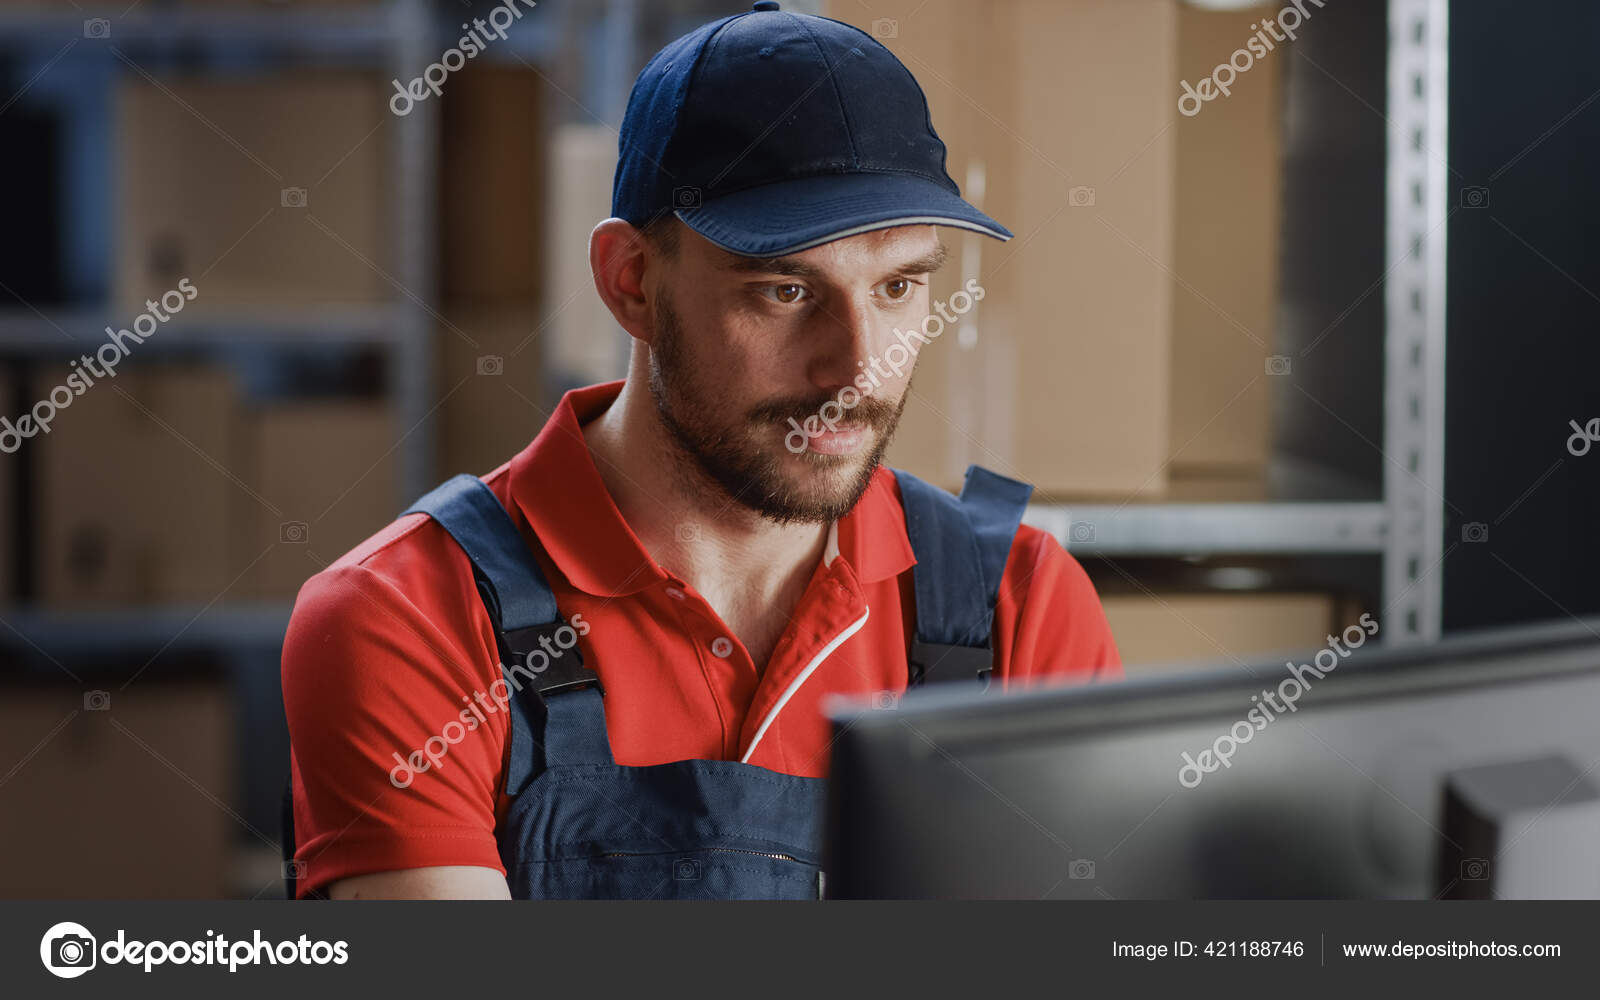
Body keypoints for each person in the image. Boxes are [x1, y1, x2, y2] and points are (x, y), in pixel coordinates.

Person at [281, 1, 1121, 900]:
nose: (858, 365)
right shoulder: (414, 620)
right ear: (632, 284)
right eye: (787, 289)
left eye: (899, 285)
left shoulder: (1016, 610)